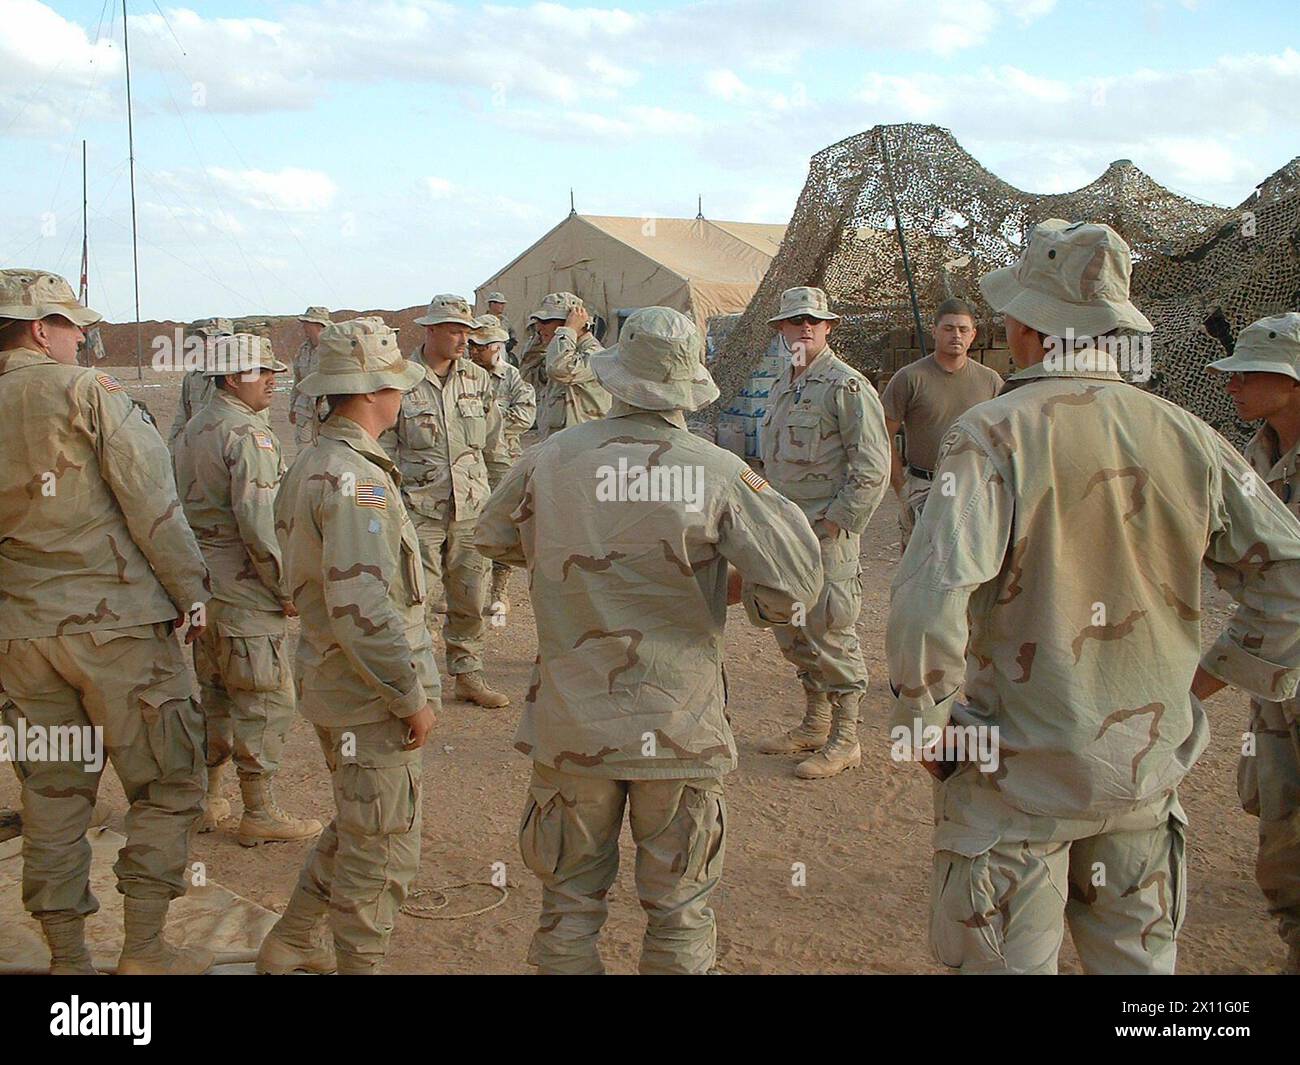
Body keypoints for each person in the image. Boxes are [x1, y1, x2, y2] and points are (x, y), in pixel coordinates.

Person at [887, 219, 1300, 975]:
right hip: (1141, 774)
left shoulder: (990, 436)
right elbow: (1291, 579)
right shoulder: (1189, 436)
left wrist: (925, 727)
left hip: (1011, 778)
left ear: (1026, 328)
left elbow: (931, 595)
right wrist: (1202, 682)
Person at [476, 306, 823, 974]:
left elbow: (492, 535)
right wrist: (714, 581)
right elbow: (794, 587)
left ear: (615, 377)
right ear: (690, 384)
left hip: (575, 726)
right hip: (680, 727)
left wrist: (568, 566)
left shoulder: (551, 457)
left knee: (569, 908)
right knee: (680, 912)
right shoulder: (717, 470)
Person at [0, 269, 213, 975]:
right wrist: (191, 593)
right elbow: (152, 502)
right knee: (167, 782)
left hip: (23, 637)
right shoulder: (87, 391)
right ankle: (144, 950)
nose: (83, 337)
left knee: (53, 793)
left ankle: (67, 958)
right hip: (117, 628)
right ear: (40, 326)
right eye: (73, 326)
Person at [258, 317, 438, 976]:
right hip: (368, 694)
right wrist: (408, 694)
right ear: (369, 392)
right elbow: (363, 606)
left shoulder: (317, 462)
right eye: (395, 385)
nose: (403, 396)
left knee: (362, 822)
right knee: (383, 847)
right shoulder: (354, 477)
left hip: (338, 683)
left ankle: (293, 937)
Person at [172, 333, 322, 846]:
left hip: (203, 587)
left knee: (215, 692)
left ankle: (211, 798)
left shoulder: (194, 427)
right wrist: (286, 586)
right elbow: (260, 525)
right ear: (234, 378)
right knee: (264, 698)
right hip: (245, 589)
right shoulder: (247, 434)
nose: (275, 383)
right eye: (265, 373)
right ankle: (258, 811)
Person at [755, 286, 891, 779]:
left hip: (825, 538)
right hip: (782, 535)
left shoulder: (846, 386)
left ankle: (846, 738)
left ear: (828, 327)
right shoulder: (781, 386)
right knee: (792, 633)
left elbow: (872, 468)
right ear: (781, 330)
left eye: (814, 320)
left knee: (831, 632)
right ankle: (814, 723)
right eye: (796, 321)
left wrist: (836, 523)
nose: (805, 328)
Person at [1206, 311, 1300, 973]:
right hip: (1281, 680)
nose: (1233, 385)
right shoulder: (1258, 458)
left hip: (1282, 654)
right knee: (1275, 817)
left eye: (1249, 374)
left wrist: (1192, 685)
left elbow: (1287, 600)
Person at [381, 295, 511, 708]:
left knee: (471, 598)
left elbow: (493, 445)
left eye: (467, 331)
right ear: (431, 330)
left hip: (472, 510)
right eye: (454, 330)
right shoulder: (400, 379)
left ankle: (468, 675)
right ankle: (411, 681)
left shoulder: (477, 379)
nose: (463, 338)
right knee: (413, 600)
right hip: (419, 511)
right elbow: (381, 448)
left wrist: (503, 497)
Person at [880, 297, 1003, 551]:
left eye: (962, 329)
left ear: (973, 335)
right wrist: (901, 488)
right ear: (934, 331)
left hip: (972, 487)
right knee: (918, 566)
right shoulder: (909, 378)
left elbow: (1004, 438)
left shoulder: (990, 381)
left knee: (969, 564)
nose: (956, 335)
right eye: (948, 328)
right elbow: (883, 434)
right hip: (924, 486)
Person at [468, 314, 536, 616]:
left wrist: (488, 421)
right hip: (466, 458)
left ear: (496, 347)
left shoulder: (511, 378)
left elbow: (525, 416)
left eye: (481, 346)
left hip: (499, 459)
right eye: (472, 344)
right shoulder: (463, 375)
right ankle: (466, 588)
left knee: (500, 522)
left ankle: (499, 590)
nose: (474, 350)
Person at [531, 291, 610, 437]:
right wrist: (539, 339)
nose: (539, 328)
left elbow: (561, 370)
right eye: (538, 322)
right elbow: (528, 375)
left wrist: (568, 330)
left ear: (569, 320)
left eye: (546, 322)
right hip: (557, 447)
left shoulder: (595, 354)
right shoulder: (558, 353)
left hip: (584, 448)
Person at [166, 317, 233, 449]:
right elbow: (181, 419)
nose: (207, 344)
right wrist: (172, 452)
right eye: (205, 338)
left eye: (214, 338)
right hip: (197, 452)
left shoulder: (242, 378)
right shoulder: (193, 377)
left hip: (229, 453)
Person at [289, 306, 331, 447]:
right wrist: (292, 407)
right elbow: (297, 380)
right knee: (304, 452)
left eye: (307, 324)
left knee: (328, 452)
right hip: (304, 409)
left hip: (327, 411)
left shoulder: (333, 349)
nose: (304, 327)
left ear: (319, 326)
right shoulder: (303, 350)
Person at [484, 291, 518, 362]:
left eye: (503, 304)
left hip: (503, 355)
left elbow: (513, 336)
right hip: (488, 354)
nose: (502, 306)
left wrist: (510, 344)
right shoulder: (483, 320)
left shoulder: (505, 321)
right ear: (492, 304)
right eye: (500, 303)